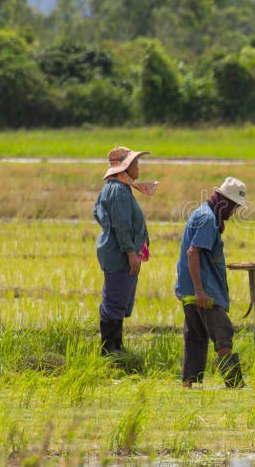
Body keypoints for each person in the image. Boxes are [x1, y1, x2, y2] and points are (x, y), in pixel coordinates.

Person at [175, 176, 247, 388]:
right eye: (233, 207)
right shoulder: (207, 219)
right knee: (223, 335)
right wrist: (200, 292)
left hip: (191, 290)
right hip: (204, 292)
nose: (234, 213)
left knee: (196, 338)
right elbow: (193, 253)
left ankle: (190, 386)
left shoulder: (205, 214)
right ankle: (234, 386)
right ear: (224, 202)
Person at [93, 147, 158, 355]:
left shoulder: (118, 188)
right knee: (114, 300)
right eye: (135, 164)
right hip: (120, 255)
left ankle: (116, 346)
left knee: (118, 299)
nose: (138, 167)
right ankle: (109, 349)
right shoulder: (118, 191)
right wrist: (131, 253)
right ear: (125, 167)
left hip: (118, 252)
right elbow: (121, 225)